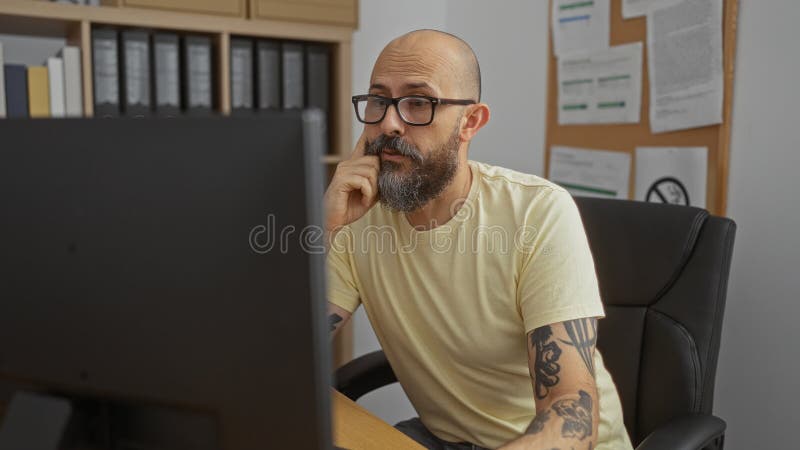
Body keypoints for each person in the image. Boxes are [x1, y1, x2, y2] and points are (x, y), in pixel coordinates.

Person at [324, 29, 633, 450]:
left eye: (418, 102)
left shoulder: (537, 213)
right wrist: (324, 226)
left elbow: (571, 414)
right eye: (379, 101)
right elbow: (277, 351)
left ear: (470, 122)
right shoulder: (358, 213)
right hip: (447, 437)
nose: (389, 123)